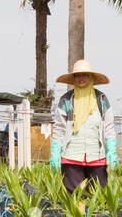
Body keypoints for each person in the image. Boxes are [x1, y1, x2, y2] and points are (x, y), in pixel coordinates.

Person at [49, 59, 116, 193]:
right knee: (74, 199)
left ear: (91, 77)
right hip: (71, 157)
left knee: (98, 199)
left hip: (97, 157)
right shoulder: (66, 100)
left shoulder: (101, 100)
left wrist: (111, 151)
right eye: (78, 75)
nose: (81, 78)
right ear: (73, 78)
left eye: (85, 75)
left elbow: (109, 127)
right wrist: (55, 152)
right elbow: (59, 129)